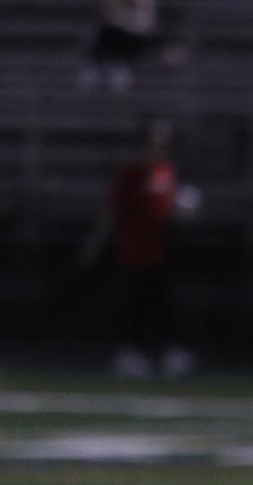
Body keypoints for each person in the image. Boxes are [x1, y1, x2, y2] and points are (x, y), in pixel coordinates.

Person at [82, 119, 195, 378]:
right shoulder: (130, 175)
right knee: (134, 305)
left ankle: (166, 353)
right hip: (133, 251)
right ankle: (128, 353)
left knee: (162, 305)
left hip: (161, 251)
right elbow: (112, 212)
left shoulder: (167, 172)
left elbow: (171, 208)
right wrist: (95, 246)